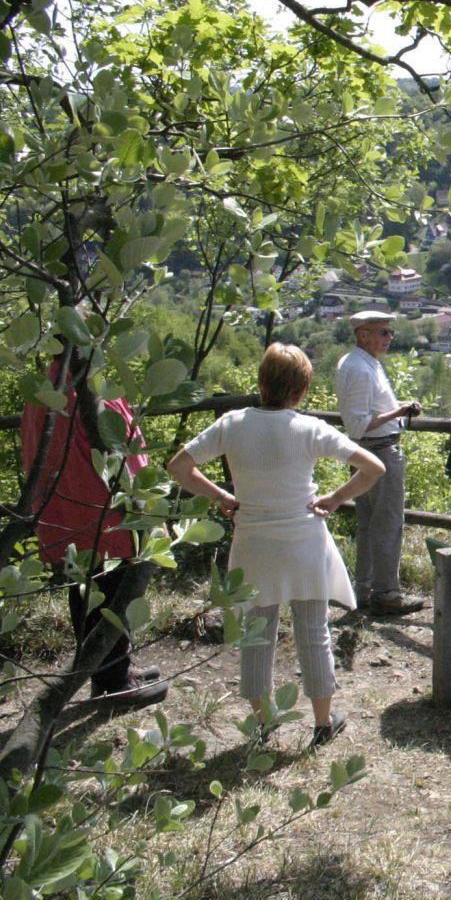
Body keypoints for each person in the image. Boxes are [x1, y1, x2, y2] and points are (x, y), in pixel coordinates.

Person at [168, 344, 384, 747]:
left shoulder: (233, 424)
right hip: (304, 539)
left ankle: (264, 721)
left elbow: (179, 466)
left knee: (257, 633)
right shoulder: (309, 428)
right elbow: (374, 467)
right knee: (313, 631)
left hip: (253, 540)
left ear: (262, 382)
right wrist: (336, 498)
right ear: (301, 390)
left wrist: (221, 496)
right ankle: (323, 722)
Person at [20, 356, 167, 708]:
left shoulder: (43, 391)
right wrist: (147, 509)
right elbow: (129, 455)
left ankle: (110, 670)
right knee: (113, 592)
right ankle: (114, 682)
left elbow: (31, 451)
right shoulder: (93, 391)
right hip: (104, 510)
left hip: (63, 509)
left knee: (86, 591)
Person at [335, 310, 424, 615]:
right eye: (383, 332)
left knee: (368, 523)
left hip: (365, 452)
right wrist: (399, 414)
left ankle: (364, 589)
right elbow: (359, 424)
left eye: (389, 332)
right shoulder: (361, 369)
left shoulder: (357, 363)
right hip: (380, 451)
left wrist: (398, 407)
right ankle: (386, 593)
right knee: (388, 523)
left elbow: (366, 412)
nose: (390, 338)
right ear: (363, 335)